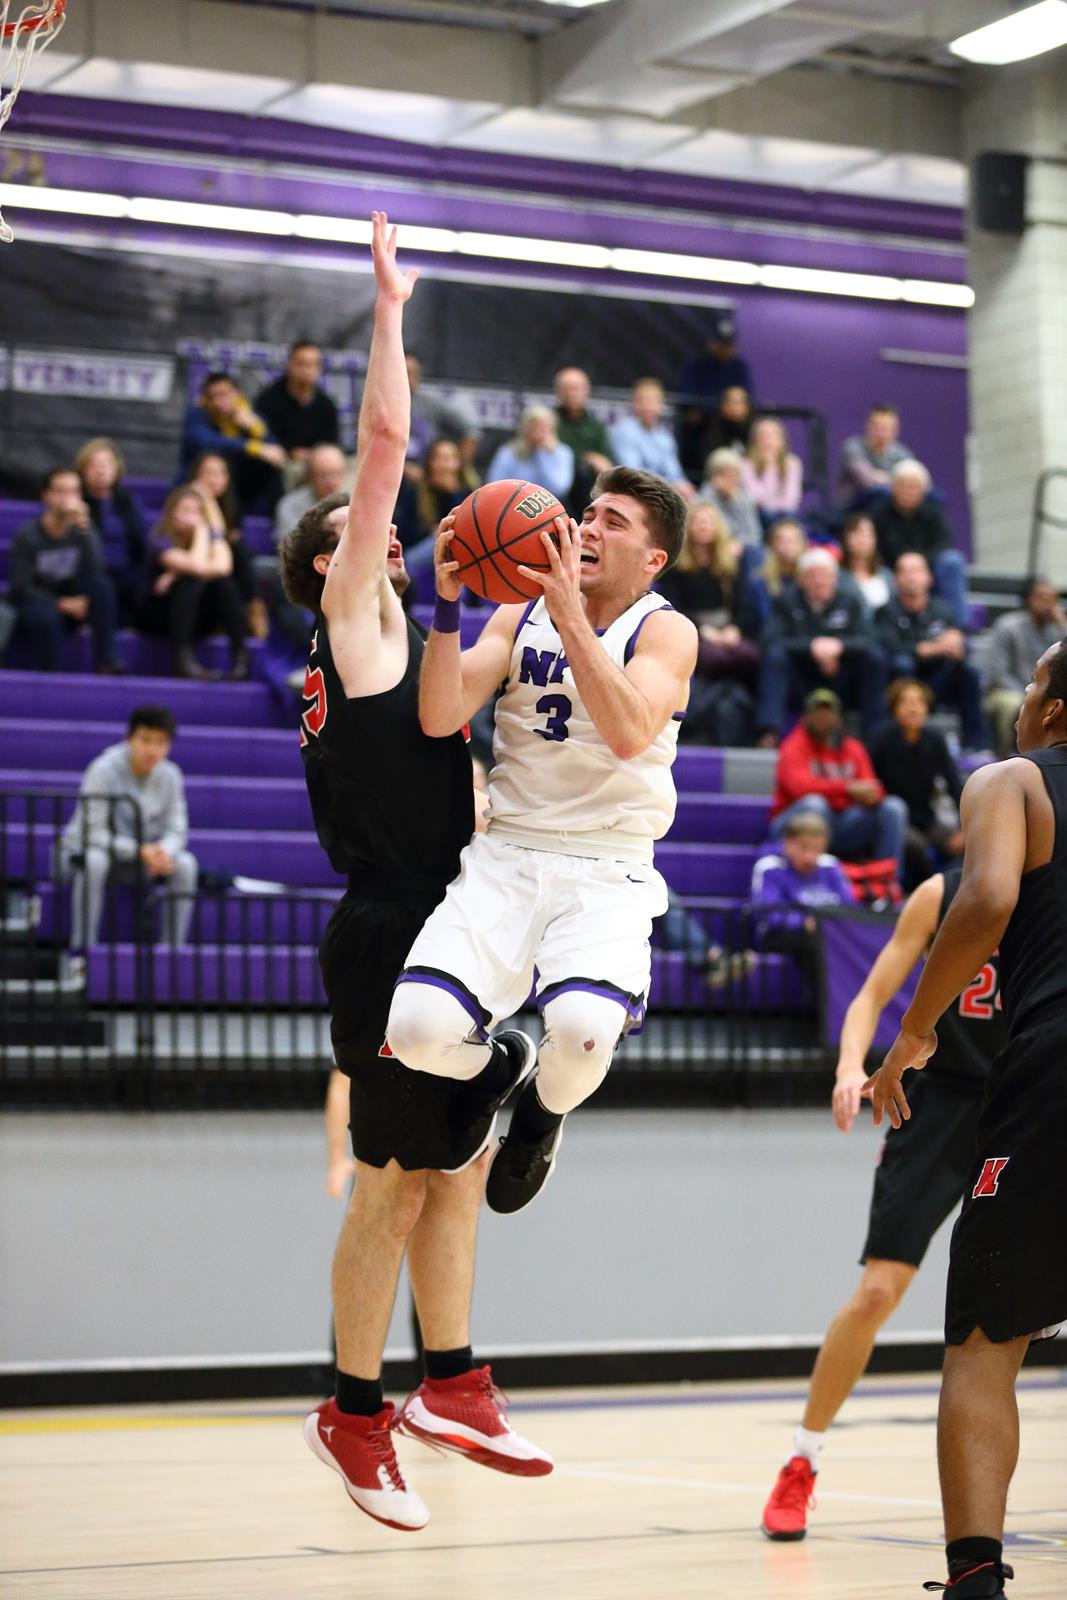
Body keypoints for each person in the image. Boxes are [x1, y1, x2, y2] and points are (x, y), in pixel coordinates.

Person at [280, 215, 551, 1533]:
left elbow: (484, 638)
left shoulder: (404, 652)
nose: (382, 535)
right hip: (394, 931)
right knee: (393, 1184)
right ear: (334, 567)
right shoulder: (354, 625)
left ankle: (448, 1376)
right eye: (361, 534)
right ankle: (350, 1409)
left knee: (448, 1174)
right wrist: (387, 312)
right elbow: (384, 449)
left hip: (448, 920)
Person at [385, 463, 695, 1216]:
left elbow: (627, 733)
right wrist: (450, 601)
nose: (587, 528)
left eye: (612, 523)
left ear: (652, 560)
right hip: (509, 850)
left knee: (586, 1035)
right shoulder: (515, 611)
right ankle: (496, 1069)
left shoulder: (665, 629)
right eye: (588, 514)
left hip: (607, 863)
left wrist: (566, 614)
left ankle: (542, 1112)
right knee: (418, 1032)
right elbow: (438, 716)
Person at [864, 638, 1067, 1600]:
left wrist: (912, 1033)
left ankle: (975, 1579)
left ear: (1055, 712)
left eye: (1032, 682)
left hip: (1053, 1071)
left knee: (986, 1345)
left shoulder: (1011, 780)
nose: (1022, 697)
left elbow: (986, 896)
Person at [761, 866, 1004, 1543]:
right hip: (937, 1104)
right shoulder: (940, 892)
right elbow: (870, 996)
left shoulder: (1048, 887)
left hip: (1021, 1100)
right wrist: (846, 1068)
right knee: (877, 1292)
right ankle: (800, 1460)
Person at [57, 705, 198, 953]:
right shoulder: (102, 769)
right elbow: (95, 833)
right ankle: (82, 951)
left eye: (161, 742)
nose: (152, 749)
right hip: (85, 856)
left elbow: (177, 829)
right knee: (95, 861)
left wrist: (162, 852)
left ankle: (172, 954)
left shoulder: (172, 775)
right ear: (129, 738)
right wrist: (140, 851)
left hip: (137, 862)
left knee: (185, 865)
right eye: (145, 740)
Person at [770, 689, 907, 877]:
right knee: (816, 804)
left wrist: (871, 797)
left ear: (838, 718)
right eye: (817, 712)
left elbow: (873, 789)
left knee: (893, 808)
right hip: (792, 825)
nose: (822, 718)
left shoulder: (853, 748)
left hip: (841, 823)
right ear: (805, 717)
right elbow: (800, 789)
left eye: (828, 713)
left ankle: (887, 884)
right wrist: (848, 789)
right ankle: (816, 880)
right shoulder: (792, 746)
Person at [655, 499, 757, 746]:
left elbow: (743, 603)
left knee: (751, 656)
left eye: (708, 521)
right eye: (698, 521)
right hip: (692, 627)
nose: (703, 527)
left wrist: (736, 629)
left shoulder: (731, 562)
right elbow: (671, 604)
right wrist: (703, 631)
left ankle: (738, 707)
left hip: (727, 627)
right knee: (714, 657)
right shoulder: (676, 565)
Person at [757, 548, 885, 743]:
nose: (819, 581)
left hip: (842, 678)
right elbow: (769, 640)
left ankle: (875, 736)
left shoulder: (850, 601)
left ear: (835, 578)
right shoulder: (786, 601)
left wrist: (839, 646)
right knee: (775, 657)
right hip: (801, 679)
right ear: (801, 579)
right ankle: (769, 732)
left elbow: (871, 639)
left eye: (824, 576)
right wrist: (811, 647)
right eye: (812, 576)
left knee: (874, 658)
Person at [9, 468, 121, 673]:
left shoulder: (82, 530)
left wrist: (86, 530)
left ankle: (106, 661)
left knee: (102, 586)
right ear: (46, 496)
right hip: (37, 602)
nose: (67, 498)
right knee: (48, 617)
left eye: (73, 492)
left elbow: (97, 569)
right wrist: (61, 604)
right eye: (60, 491)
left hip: (71, 596)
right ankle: (50, 677)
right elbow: (20, 587)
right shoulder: (27, 535)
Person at [877, 551, 985, 750]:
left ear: (929, 577)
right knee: (902, 664)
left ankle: (977, 745)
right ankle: (899, 738)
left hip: (936, 683)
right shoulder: (886, 611)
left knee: (968, 672)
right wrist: (933, 647)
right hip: (903, 684)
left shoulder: (942, 609)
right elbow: (893, 648)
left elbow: (956, 646)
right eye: (905, 571)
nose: (911, 577)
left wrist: (955, 645)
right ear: (897, 578)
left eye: (917, 570)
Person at [141, 487, 248, 680]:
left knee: (224, 584)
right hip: (160, 616)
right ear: (172, 513)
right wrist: (201, 533)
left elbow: (224, 568)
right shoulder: (161, 539)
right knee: (189, 581)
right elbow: (197, 567)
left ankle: (240, 657)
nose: (193, 517)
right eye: (186, 510)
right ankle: (181, 660)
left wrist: (174, 573)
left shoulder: (214, 538)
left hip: (199, 616)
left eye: (198, 511)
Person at [872, 678, 964, 888]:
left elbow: (954, 785)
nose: (913, 708)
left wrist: (963, 828)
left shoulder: (935, 739)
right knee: (917, 846)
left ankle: (952, 890)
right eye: (905, 702)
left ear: (927, 708)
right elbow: (870, 781)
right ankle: (933, 893)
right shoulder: (882, 739)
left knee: (971, 842)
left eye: (919, 702)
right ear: (895, 709)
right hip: (896, 821)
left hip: (927, 818)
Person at [749, 811, 853, 981]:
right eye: (803, 848)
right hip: (779, 935)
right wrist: (803, 923)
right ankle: (830, 1006)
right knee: (816, 942)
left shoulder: (831, 866)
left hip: (826, 933)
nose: (810, 857)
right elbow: (766, 915)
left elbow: (848, 907)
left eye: (817, 849)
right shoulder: (770, 867)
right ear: (787, 843)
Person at [872, 459, 967, 626]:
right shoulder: (879, 514)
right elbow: (876, 551)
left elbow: (944, 543)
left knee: (952, 561)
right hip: (893, 570)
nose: (909, 491)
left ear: (923, 491)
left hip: (927, 569)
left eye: (914, 486)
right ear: (893, 488)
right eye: (904, 485)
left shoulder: (933, 512)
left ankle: (957, 628)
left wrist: (920, 566)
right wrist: (905, 566)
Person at [178, 370, 286, 515]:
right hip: (199, 487)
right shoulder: (197, 415)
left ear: (238, 394)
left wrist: (257, 429)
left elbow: (275, 451)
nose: (217, 402)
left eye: (223, 394)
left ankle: (277, 518)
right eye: (211, 397)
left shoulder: (249, 415)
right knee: (212, 459)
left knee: (271, 465)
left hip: (241, 489)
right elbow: (204, 441)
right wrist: (252, 447)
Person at [982, 576, 1065, 757]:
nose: (1047, 604)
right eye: (1041, 597)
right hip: (1005, 691)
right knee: (1014, 704)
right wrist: (1029, 694)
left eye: (1052, 599)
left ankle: (1051, 756)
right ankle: (1008, 756)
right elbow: (997, 673)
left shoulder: (1057, 629)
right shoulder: (1008, 626)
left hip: (1043, 692)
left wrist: (1062, 624)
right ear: (1029, 599)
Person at [188, 452, 267, 640]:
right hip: (197, 562)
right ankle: (253, 608)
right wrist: (205, 499)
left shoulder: (232, 504)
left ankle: (253, 607)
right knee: (238, 551)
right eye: (209, 473)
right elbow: (218, 533)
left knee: (239, 551)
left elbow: (223, 538)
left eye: (221, 473)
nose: (215, 479)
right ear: (196, 476)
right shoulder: (188, 501)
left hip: (224, 565)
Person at [675, 309, 752, 483]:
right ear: (711, 342)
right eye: (720, 343)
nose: (725, 348)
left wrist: (732, 409)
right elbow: (689, 407)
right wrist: (718, 409)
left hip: (733, 430)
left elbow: (746, 402)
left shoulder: (739, 367)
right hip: (700, 435)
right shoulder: (696, 366)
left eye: (728, 344)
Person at [75, 437, 146, 621]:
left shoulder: (127, 500)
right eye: (94, 465)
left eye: (106, 464)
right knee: (103, 587)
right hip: (91, 576)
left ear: (116, 469)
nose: (101, 470)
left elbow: (141, 542)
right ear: (83, 471)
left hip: (126, 573)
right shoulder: (76, 503)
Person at [254, 341, 340, 472]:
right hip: (277, 465)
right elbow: (261, 437)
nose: (307, 369)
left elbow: (332, 443)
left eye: (313, 364)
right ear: (290, 365)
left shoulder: (326, 405)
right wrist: (290, 451)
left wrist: (314, 455)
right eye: (301, 363)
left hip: (316, 464)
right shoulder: (268, 400)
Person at [609, 377, 693, 498]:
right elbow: (633, 473)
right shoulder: (623, 431)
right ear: (635, 404)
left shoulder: (665, 437)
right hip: (632, 492)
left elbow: (675, 473)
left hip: (663, 490)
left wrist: (684, 486)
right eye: (643, 401)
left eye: (652, 401)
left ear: (661, 405)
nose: (647, 406)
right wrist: (670, 485)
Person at [404, 351, 479, 478]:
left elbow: (471, 432)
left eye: (413, 374)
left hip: (427, 481)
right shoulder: (377, 407)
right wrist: (405, 469)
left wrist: (456, 468)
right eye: (404, 373)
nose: (408, 379)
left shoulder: (430, 405)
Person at [487, 405, 575, 503]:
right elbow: (494, 485)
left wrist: (542, 453)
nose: (538, 434)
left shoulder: (562, 452)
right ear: (525, 429)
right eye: (535, 428)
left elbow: (559, 489)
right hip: (514, 504)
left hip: (550, 505)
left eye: (544, 429)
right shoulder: (508, 452)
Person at [552, 366, 614, 496]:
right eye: (566, 389)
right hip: (559, 484)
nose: (571, 393)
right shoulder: (550, 421)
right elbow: (555, 455)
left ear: (587, 391)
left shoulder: (595, 424)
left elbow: (606, 457)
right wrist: (588, 457)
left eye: (575, 388)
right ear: (557, 392)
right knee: (583, 471)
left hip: (592, 485)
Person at [837, 403, 911, 506]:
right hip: (854, 508)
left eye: (886, 428)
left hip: (887, 509)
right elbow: (866, 480)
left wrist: (880, 476)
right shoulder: (853, 447)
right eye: (876, 427)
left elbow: (910, 484)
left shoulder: (903, 454)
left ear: (896, 430)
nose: (881, 433)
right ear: (868, 426)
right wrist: (895, 480)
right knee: (880, 493)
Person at [273, 444, 348, 546]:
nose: (331, 481)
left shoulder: (351, 502)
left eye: (336, 473)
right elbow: (289, 546)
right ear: (310, 476)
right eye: (323, 475)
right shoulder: (289, 505)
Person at [744, 516, 808, 630]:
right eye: (781, 541)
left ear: (802, 544)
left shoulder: (810, 577)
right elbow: (765, 618)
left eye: (791, 541)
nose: (787, 546)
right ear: (772, 546)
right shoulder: (760, 580)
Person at [699, 447, 763, 551]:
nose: (728, 479)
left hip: (739, 547)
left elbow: (754, 535)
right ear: (713, 476)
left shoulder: (744, 498)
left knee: (755, 550)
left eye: (732, 475)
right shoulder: (705, 496)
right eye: (723, 474)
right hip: (714, 546)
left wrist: (739, 544)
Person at [740, 416, 803, 519]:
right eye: (763, 436)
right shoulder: (746, 464)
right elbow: (754, 498)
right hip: (758, 516)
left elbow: (792, 499)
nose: (768, 441)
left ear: (782, 441)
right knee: (769, 515)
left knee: (790, 518)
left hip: (786, 514)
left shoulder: (793, 463)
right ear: (755, 441)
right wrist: (769, 468)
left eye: (773, 436)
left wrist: (776, 507)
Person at [838, 511, 892, 614]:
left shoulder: (887, 575)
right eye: (857, 533)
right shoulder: (837, 577)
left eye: (869, 534)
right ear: (846, 538)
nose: (863, 539)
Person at [705, 385, 752, 457]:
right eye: (730, 401)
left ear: (747, 406)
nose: (734, 407)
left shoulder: (754, 431)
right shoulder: (712, 430)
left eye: (738, 402)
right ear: (722, 405)